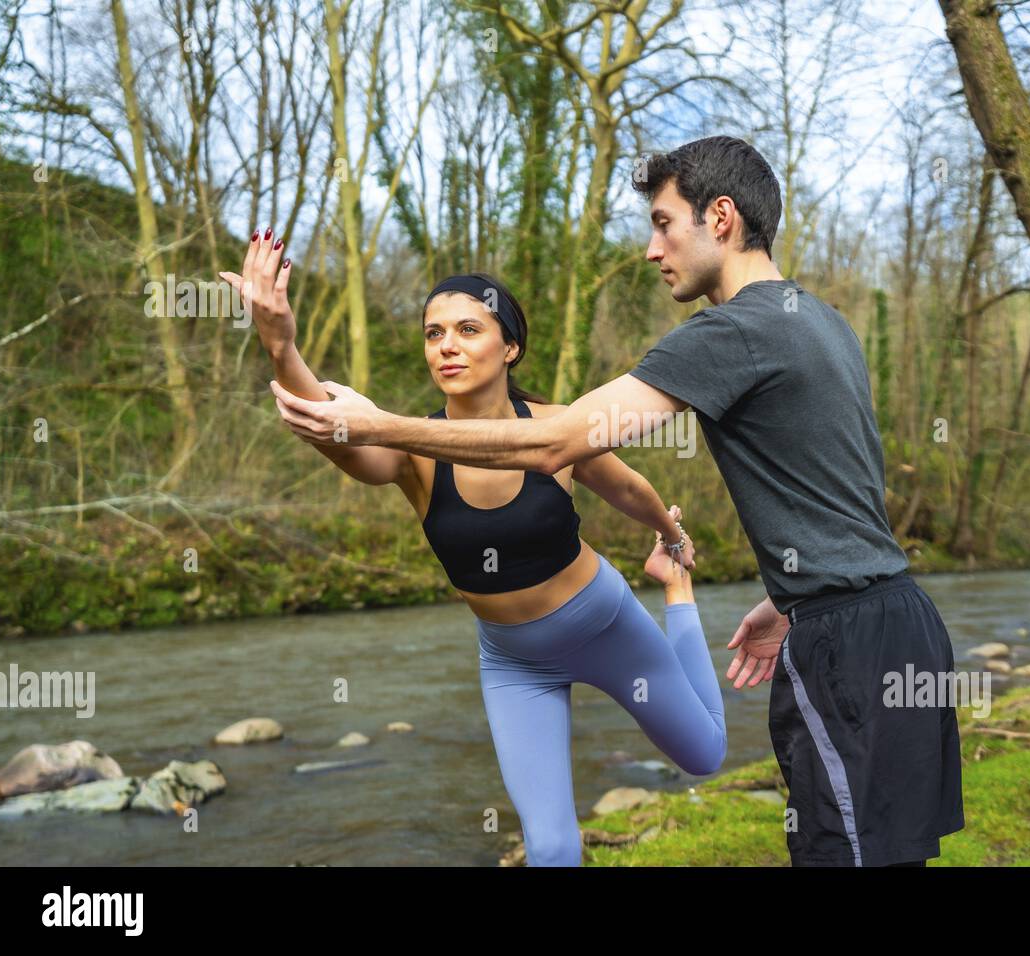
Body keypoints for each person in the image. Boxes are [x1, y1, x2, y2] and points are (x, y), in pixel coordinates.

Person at [268, 135, 966, 868]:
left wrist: (375, 420)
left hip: (843, 646)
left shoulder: (733, 330)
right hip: (896, 621)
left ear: (720, 218)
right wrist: (794, 594)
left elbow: (557, 443)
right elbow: (848, 487)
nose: (650, 248)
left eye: (663, 223)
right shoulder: (821, 320)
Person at [219, 242, 726, 867]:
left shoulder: (555, 428)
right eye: (434, 333)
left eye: (467, 329)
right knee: (551, 847)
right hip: (516, 665)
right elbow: (334, 425)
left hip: (606, 627)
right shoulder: (411, 450)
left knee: (705, 756)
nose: (446, 346)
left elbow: (626, 487)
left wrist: (672, 543)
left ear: (509, 347)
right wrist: (279, 344)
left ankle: (678, 598)